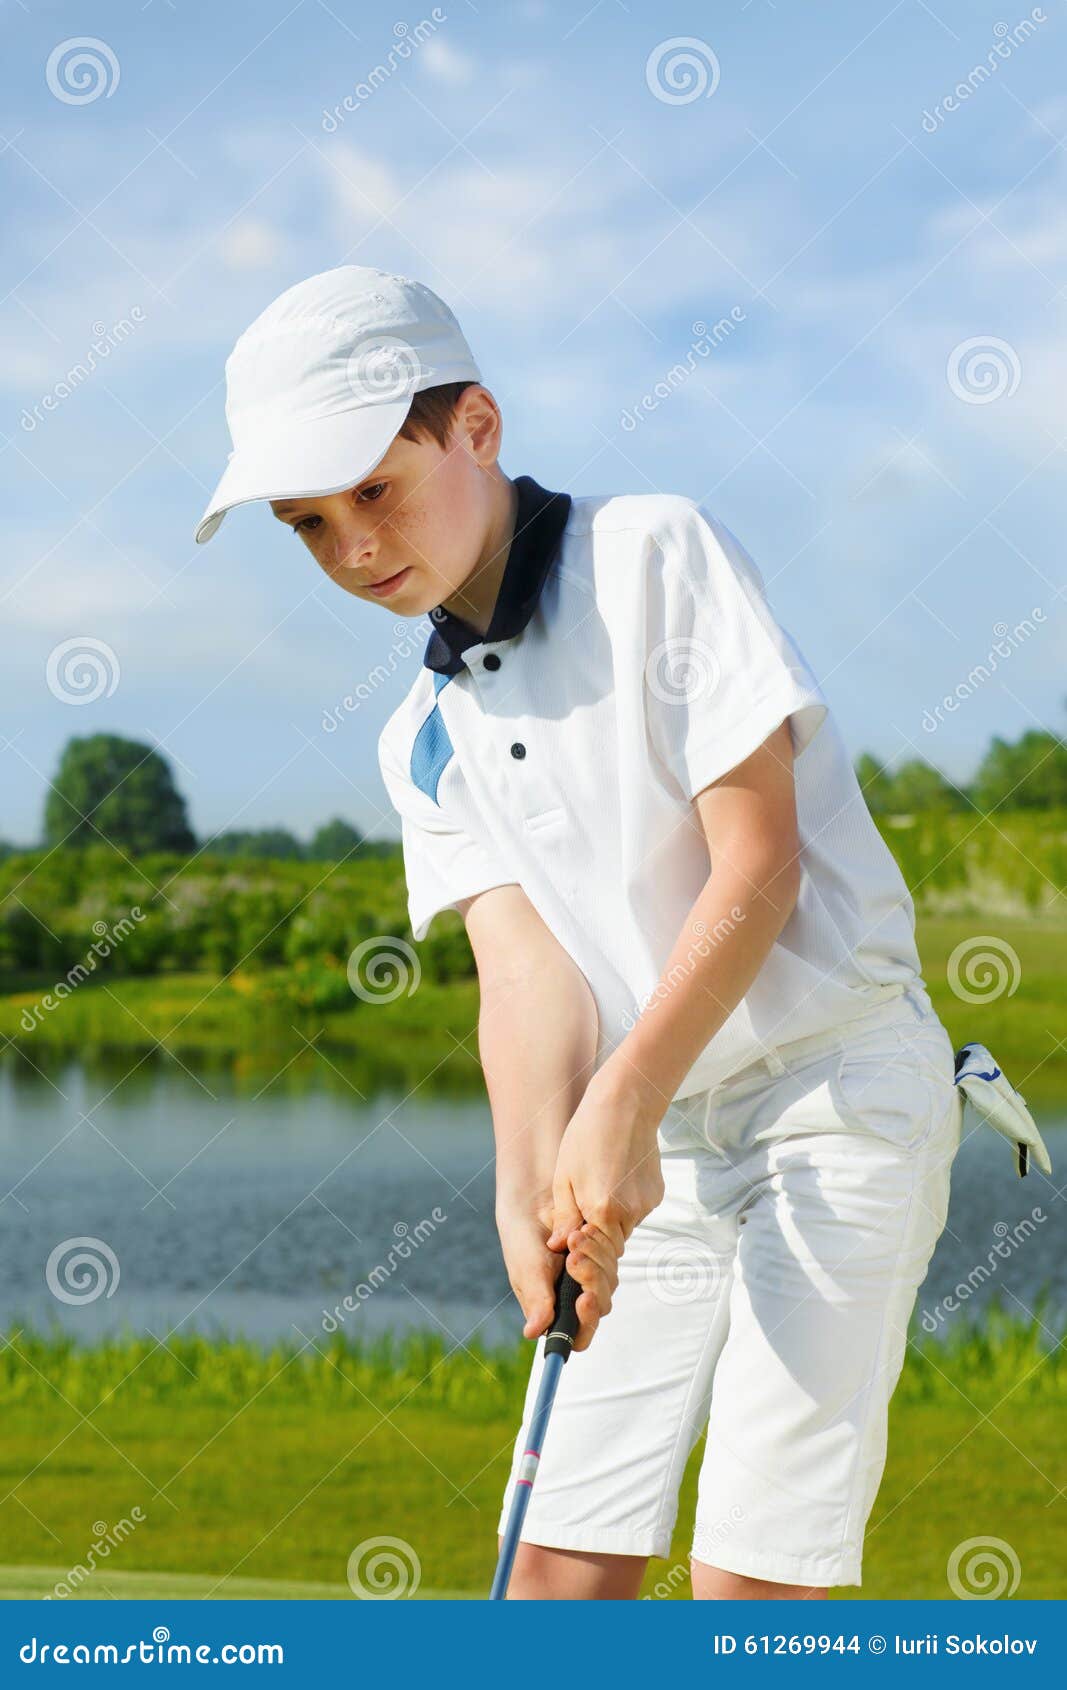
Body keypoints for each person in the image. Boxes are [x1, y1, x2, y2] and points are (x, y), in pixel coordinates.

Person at [195, 265, 963, 1600]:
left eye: (374, 488)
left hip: (834, 1095)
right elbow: (527, 980)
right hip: (649, 1137)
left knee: (748, 1582)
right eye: (308, 523)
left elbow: (760, 863)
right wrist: (525, 1186)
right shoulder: (420, 739)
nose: (354, 547)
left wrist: (617, 1103)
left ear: (477, 427)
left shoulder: (653, 552)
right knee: (558, 1571)